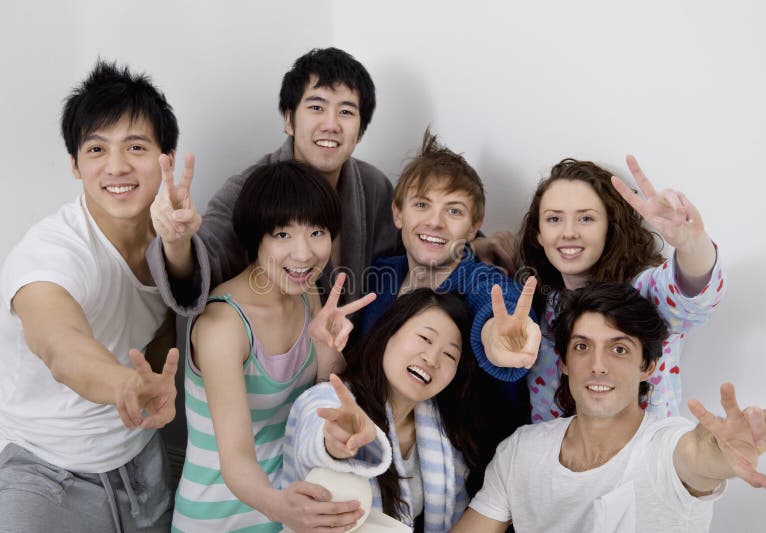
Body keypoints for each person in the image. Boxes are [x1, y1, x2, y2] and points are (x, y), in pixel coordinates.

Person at [148, 47, 516, 315]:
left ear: (360, 129)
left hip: (352, 362)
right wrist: (177, 243)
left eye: (346, 112)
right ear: (289, 119)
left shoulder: (372, 186)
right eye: (316, 107)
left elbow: (416, 238)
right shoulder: (249, 189)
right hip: (275, 359)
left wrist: (471, 245)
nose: (331, 124)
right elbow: (204, 262)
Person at [453, 282, 766, 533]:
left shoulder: (666, 446)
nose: (598, 365)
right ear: (564, 363)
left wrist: (722, 450)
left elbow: (698, 458)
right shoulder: (521, 451)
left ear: (647, 366)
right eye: (582, 347)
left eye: (619, 350)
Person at [0, 61, 181, 532]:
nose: (116, 166)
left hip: (141, 464)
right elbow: (59, 343)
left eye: (136, 147)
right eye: (97, 149)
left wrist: (148, 387)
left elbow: (159, 331)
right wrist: (122, 384)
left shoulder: (172, 241)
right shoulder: (51, 251)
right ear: (75, 165)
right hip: (43, 472)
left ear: (167, 158)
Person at [171, 161, 375, 532]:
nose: (303, 254)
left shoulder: (306, 294)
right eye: (283, 234)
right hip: (218, 519)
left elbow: (326, 399)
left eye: (317, 232)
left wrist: (326, 344)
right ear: (257, 239)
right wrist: (280, 507)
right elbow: (235, 457)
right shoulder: (223, 325)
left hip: (287, 512)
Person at [357, 129, 539, 492]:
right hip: (379, 463)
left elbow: (495, 307)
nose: (435, 222)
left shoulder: (482, 282)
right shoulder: (381, 276)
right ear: (398, 213)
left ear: (473, 228)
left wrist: (498, 343)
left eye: (453, 211)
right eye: (422, 205)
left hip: (474, 482)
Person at [516, 156, 726, 422]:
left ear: (610, 228)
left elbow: (690, 293)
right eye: (554, 218)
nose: (568, 232)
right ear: (538, 233)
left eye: (586, 218)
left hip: (641, 447)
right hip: (555, 447)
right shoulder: (541, 298)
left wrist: (691, 244)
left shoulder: (642, 294)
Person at [283, 289, 504, 532]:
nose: (432, 359)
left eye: (450, 354)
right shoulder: (333, 399)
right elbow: (314, 427)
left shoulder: (447, 437)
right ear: (389, 332)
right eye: (425, 338)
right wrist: (337, 442)